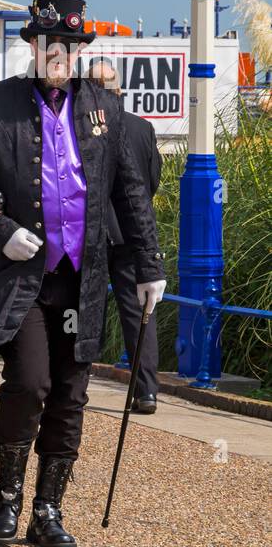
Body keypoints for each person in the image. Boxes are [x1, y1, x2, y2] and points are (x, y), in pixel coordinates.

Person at [0, 0, 166, 547]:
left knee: (71, 392)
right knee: (30, 382)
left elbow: (131, 190)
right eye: (48, 46)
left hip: (83, 276)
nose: (58, 55)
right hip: (25, 276)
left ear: (78, 52)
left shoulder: (104, 109)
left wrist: (149, 266)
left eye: (68, 46)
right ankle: (6, 500)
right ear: (33, 48)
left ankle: (48, 509)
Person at [85, 57, 162, 414]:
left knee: (84, 311)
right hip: (130, 234)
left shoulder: (76, 128)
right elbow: (149, 182)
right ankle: (146, 391)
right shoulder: (141, 128)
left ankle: (76, 385)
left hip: (90, 234)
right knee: (137, 316)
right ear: (121, 92)